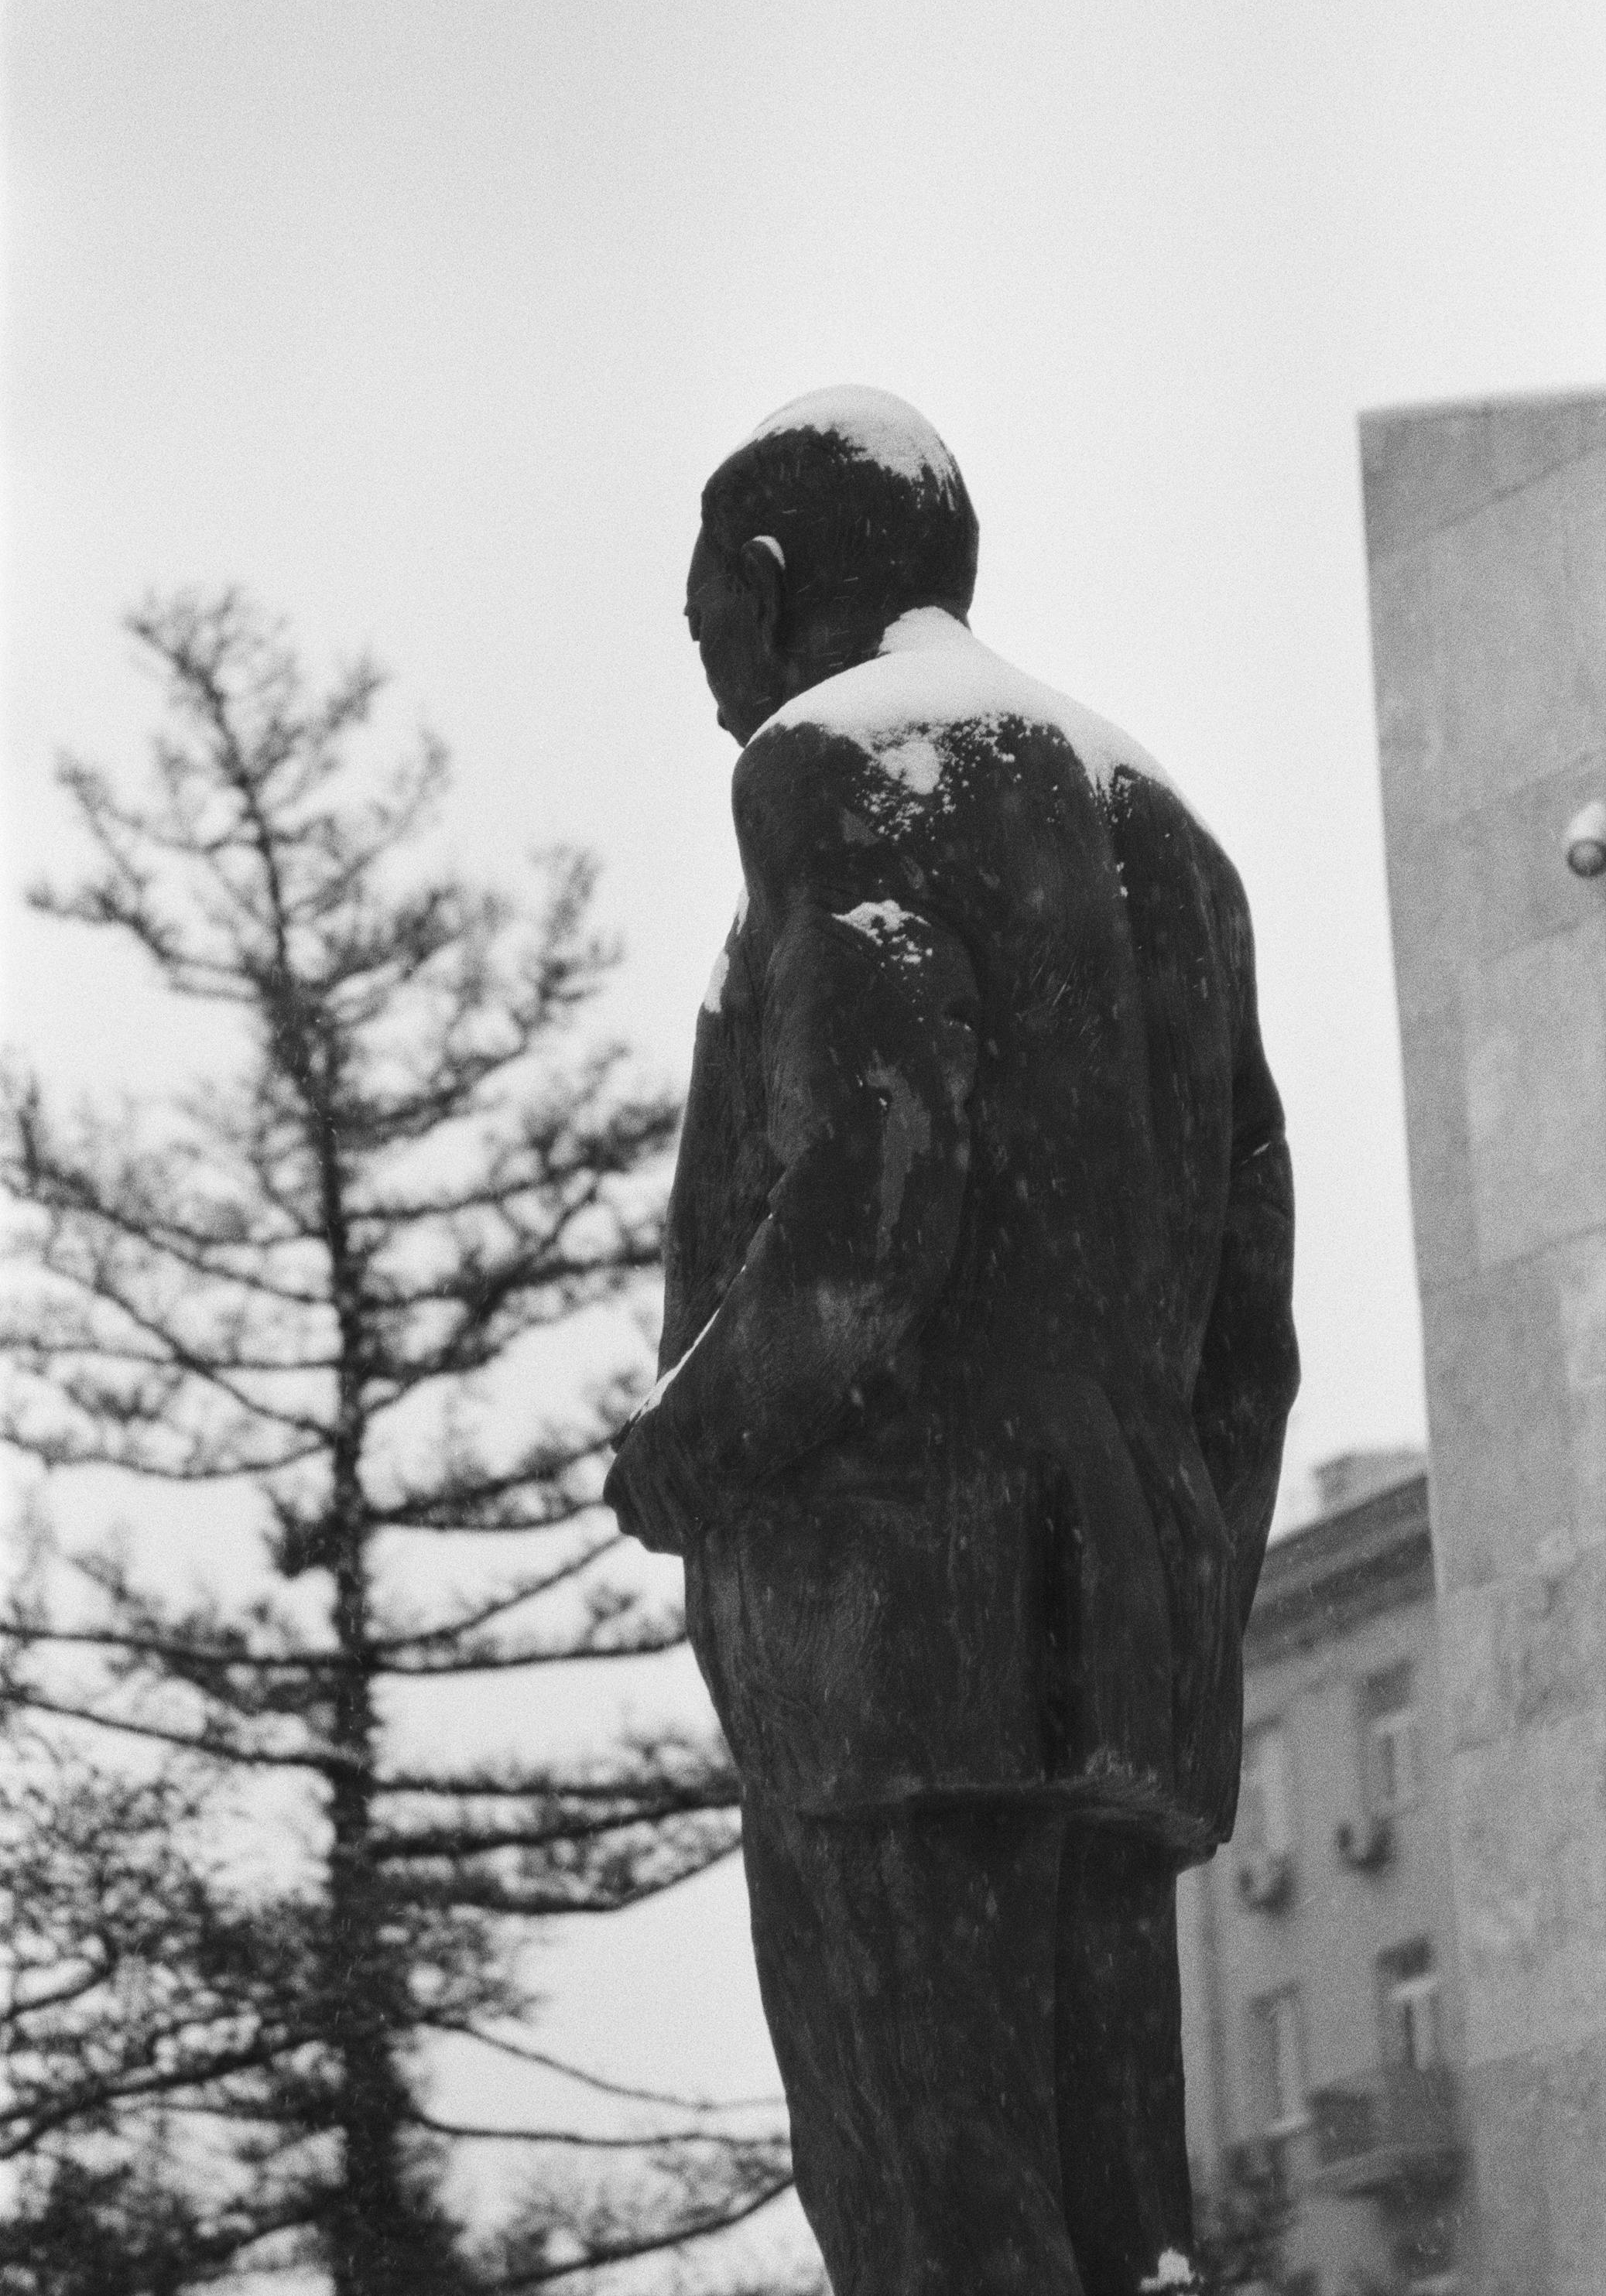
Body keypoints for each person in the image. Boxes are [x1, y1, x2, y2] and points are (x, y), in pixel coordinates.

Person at [604, 387, 1298, 2296]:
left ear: (763, 583)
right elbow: (1252, 1313)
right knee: (1120, 2227)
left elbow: (874, 1178)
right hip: (1121, 1648)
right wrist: (1179, 1577)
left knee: (933, 2215)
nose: (706, 665)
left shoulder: (847, 762)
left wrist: (686, 1447)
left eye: (702, 613)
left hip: (897, 1647)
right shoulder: (1169, 834)